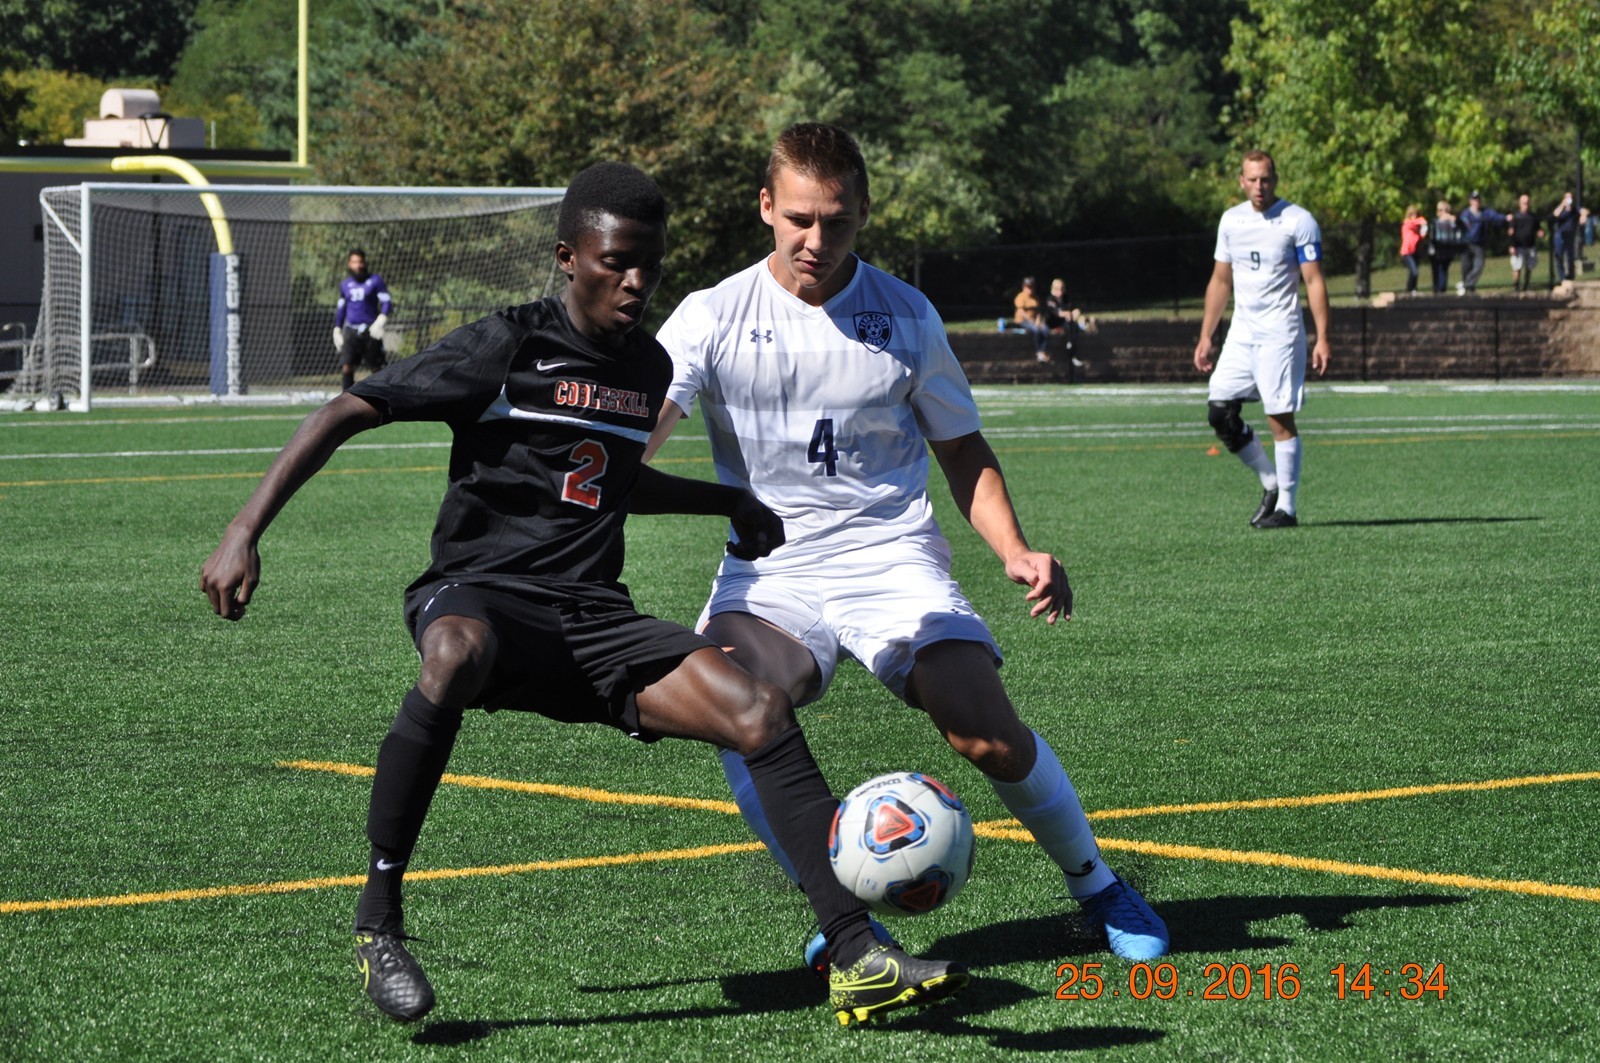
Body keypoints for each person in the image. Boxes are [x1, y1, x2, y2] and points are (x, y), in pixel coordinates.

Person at [200, 162, 965, 1029]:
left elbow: (611, 482)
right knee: (454, 653)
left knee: (756, 708)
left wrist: (728, 500)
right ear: (570, 257)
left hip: (593, 616)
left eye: (650, 265)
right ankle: (378, 921)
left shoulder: (645, 367)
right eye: (616, 263)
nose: (636, 282)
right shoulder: (506, 346)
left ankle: (858, 952)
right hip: (479, 593)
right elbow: (348, 409)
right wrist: (244, 529)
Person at [646, 123, 1169, 972]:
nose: (817, 241)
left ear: (864, 215)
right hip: (770, 568)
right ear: (767, 206)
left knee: (986, 732)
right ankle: (843, 922)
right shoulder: (710, 316)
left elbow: (962, 448)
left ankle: (1098, 883)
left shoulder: (907, 314)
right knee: (737, 705)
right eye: (802, 218)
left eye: (839, 222)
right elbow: (639, 432)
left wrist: (1016, 549)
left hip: (892, 556)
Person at [1193, 150, 1331, 529]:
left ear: (1276, 178)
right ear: (1241, 180)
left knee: (1278, 418)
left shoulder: (1298, 220)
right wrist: (1207, 335)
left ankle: (1287, 508)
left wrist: (1322, 337)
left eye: (1266, 179)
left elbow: (1314, 280)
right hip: (1241, 333)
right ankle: (1270, 483)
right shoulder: (1231, 220)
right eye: (1252, 179)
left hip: (1280, 334)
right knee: (1219, 410)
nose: (1259, 186)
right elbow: (1221, 281)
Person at [333, 249, 393, 390]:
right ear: (349, 264)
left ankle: (383, 401)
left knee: (376, 369)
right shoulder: (345, 285)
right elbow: (342, 308)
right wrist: (337, 328)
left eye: (360, 262)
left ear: (364, 263)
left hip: (371, 331)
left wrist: (381, 319)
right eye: (354, 262)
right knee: (347, 367)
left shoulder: (375, 280)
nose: (358, 265)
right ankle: (345, 402)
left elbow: (387, 301)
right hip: (351, 331)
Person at [1458, 192, 1508, 294]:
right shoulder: (1465, 214)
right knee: (1466, 267)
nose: (1477, 202)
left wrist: (1506, 217)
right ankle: (1469, 289)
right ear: (1470, 201)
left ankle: (1466, 285)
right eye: (1474, 200)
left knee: (1479, 266)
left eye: (1478, 200)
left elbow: (1495, 216)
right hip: (1466, 245)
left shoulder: (1485, 212)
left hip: (1479, 245)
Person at [1044, 277, 1092, 367]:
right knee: (1070, 323)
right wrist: (1069, 314)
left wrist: (1075, 312)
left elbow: (1075, 308)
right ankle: (1070, 344)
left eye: (1062, 288)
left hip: (1067, 322)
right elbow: (1057, 313)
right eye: (1057, 289)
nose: (1060, 291)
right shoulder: (1050, 299)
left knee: (1073, 324)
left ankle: (1071, 344)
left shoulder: (1066, 297)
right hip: (1053, 323)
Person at [1012, 275, 1053, 362]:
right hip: (1023, 320)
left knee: (1045, 329)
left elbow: (1038, 312)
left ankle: (1043, 351)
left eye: (1032, 287)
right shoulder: (1020, 297)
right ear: (1024, 287)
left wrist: (1038, 320)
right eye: (1028, 287)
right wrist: (1031, 321)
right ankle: (1038, 352)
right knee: (1036, 330)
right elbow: (1021, 311)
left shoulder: (1035, 298)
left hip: (1034, 320)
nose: (1030, 289)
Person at [1509, 193, 1545, 292]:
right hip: (1518, 246)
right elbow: (1511, 232)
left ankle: (1526, 286)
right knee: (1517, 267)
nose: (1526, 205)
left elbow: (1538, 228)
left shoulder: (1533, 217)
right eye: (1524, 203)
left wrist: (1540, 232)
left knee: (1529, 267)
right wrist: (1512, 246)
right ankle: (1516, 287)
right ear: (1520, 204)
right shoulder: (1516, 217)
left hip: (1530, 246)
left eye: (1527, 203)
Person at [1429, 201, 1463, 294]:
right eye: (1440, 210)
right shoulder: (1435, 222)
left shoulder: (1452, 222)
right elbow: (1432, 237)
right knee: (1436, 269)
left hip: (1447, 248)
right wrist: (1432, 248)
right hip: (1437, 248)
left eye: (1445, 210)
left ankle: (1441, 289)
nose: (1442, 212)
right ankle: (1437, 289)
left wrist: (1454, 220)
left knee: (1444, 269)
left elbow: (1460, 232)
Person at [1399, 205, 1427, 295]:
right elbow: (1415, 222)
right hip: (1406, 252)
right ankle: (1409, 289)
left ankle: (1412, 289)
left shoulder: (1416, 228)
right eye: (1412, 214)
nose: (1414, 216)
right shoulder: (1407, 223)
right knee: (1414, 271)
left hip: (1414, 251)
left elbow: (1421, 236)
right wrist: (1422, 220)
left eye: (1416, 214)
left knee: (1413, 272)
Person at [1551, 191, 1579, 281]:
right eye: (1567, 197)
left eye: (1570, 197)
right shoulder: (1561, 210)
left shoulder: (1575, 210)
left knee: (1571, 257)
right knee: (1559, 256)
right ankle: (1562, 277)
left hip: (1570, 236)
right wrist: (1562, 205)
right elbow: (1555, 214)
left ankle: (1571, 276)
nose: (1569, 199)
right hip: (1560, 236)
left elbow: (1583, 213)